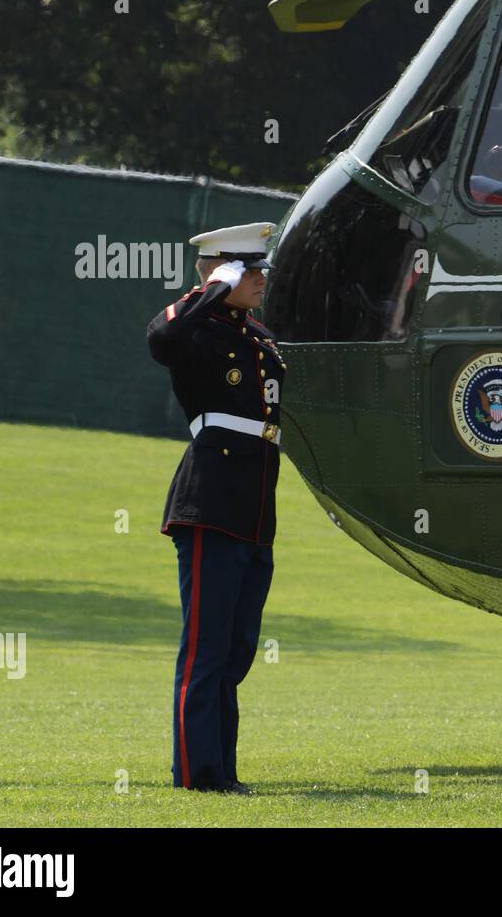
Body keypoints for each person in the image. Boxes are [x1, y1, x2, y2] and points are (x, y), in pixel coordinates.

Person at [146, 221, 286, 793]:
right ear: (221, 272)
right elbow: (161, 340)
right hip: (210, 500)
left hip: (255, 504)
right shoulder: (195, 329)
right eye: (248, 269)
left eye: (260, 269)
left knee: (235, 649)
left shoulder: (256, 336)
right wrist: (209, 290)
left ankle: (221, 770)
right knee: (205, 648)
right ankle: (199, 774)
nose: (260, 279)